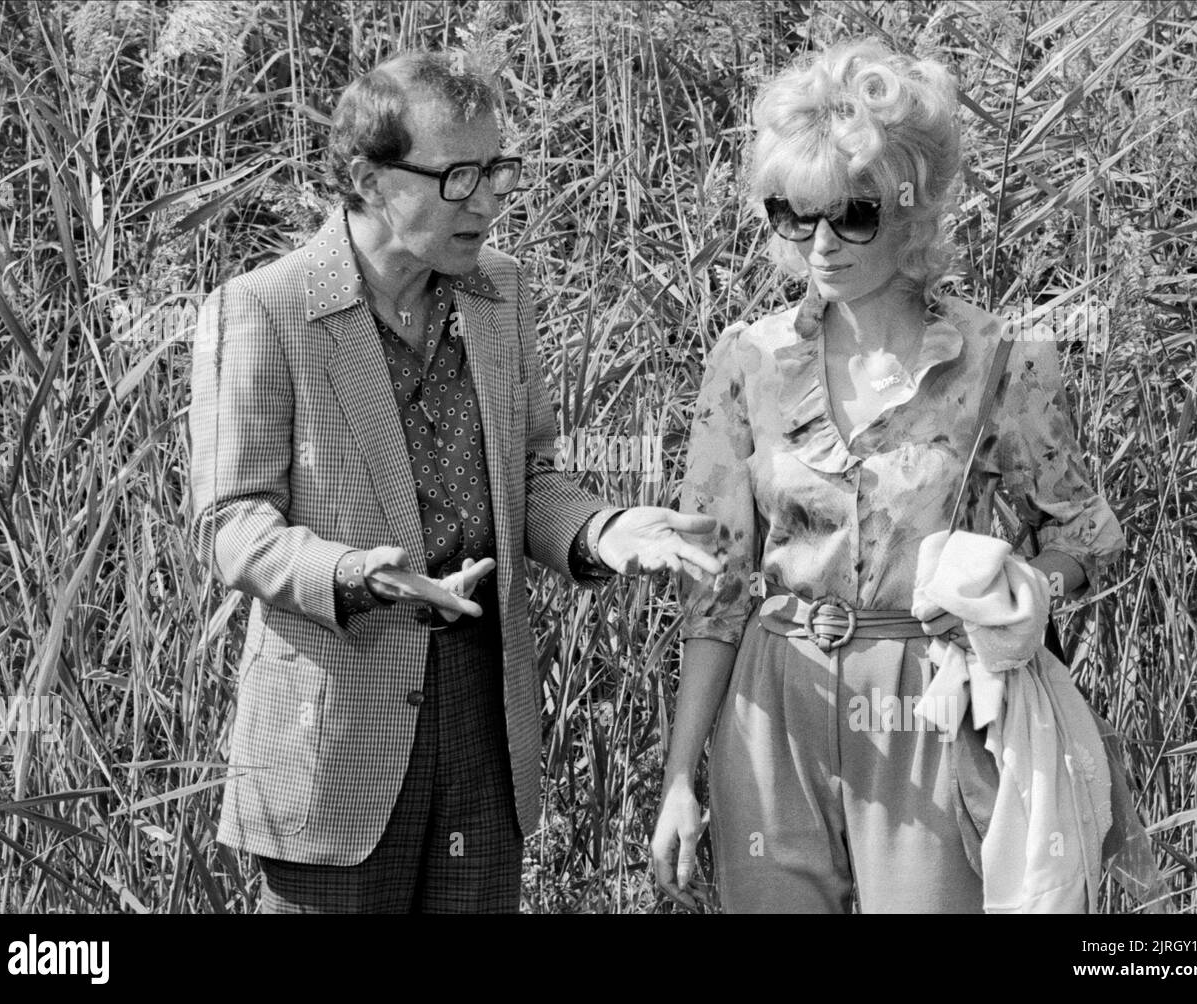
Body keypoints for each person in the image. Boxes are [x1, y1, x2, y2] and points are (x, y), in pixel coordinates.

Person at [188, 50, 719, 914]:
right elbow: (233, 525)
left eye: (497, 170)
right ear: (366, 178)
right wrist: (359, 573)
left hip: (482, 715)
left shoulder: (499, 292)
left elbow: (532, 477)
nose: (489, 199)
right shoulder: (262, 308)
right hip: (336, 743)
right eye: (459, 175)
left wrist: (603, 531)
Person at [650, 38, 1128, 913]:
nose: (820, 243)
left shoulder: (1001, 359)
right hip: (770, 702)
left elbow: (1086, 537)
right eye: (792, 215)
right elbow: (714, 590)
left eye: (852, 215)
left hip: (928, 702)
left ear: (912, 209)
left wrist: (1018, 587)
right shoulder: (746, 361)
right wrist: (681, 778)